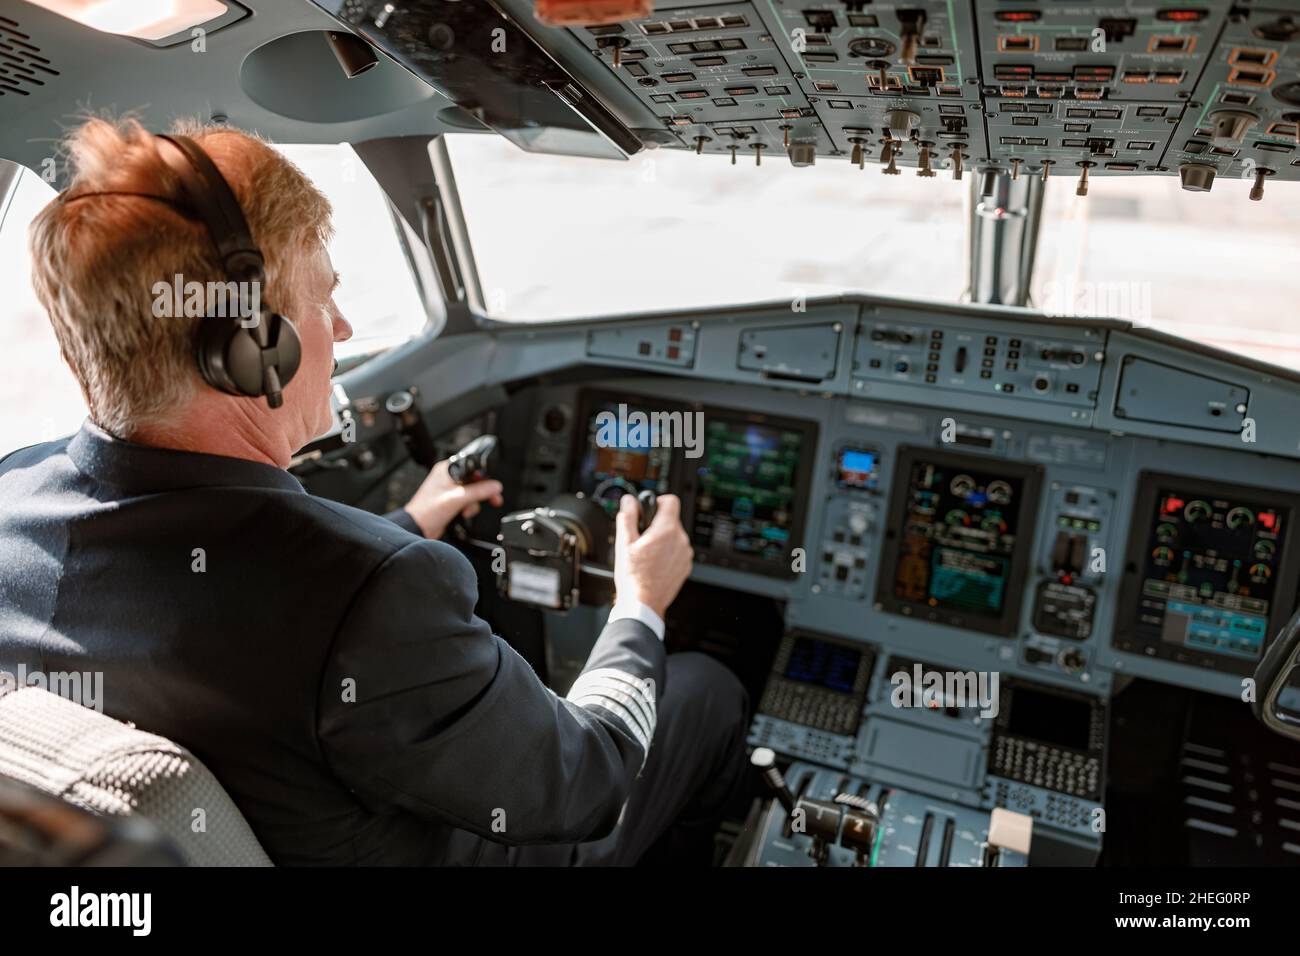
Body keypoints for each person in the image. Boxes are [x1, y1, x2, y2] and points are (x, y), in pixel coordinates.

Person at [0, 117, 748, 865]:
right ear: (255, 350)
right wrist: (640, 605)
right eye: (324, 299)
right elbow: (588, 784)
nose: (346, 326)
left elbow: (264, 609)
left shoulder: (12, 501)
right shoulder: (370, 595)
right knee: (706, 688)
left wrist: (407, 525)